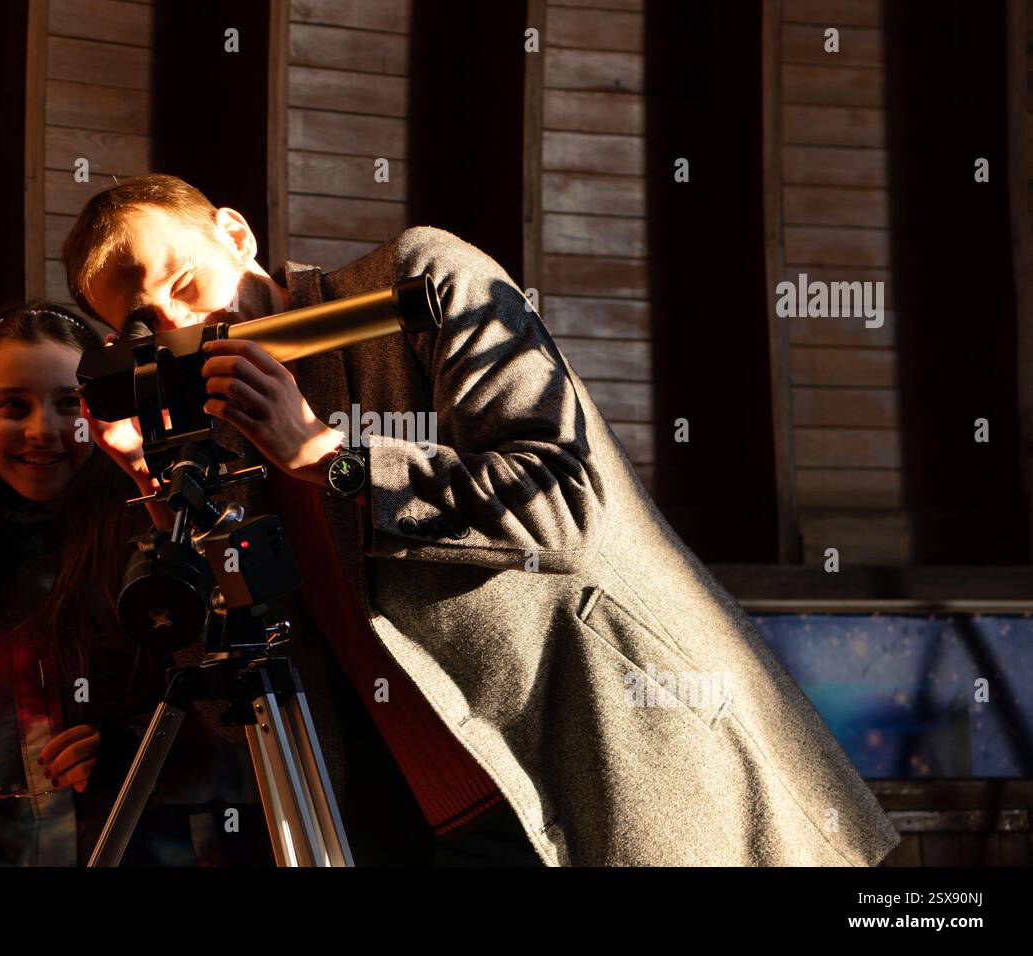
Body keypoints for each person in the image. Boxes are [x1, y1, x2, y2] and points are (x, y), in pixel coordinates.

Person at [61, 175, 902, 866]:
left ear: (236, 235)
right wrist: (153, 480)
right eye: (142, 325)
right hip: (430, 826)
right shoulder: (213, 442)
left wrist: (329, 456)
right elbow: (238, 693)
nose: (180, 327)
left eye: (183, 284)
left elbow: (563, 504)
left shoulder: (412, 283)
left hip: (609, 765)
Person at [0, 302, 265, 866]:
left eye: (71, 405)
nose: (43, 430)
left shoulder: (166, 555)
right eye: (14, 405)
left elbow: (261, 754)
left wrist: (133, 760)